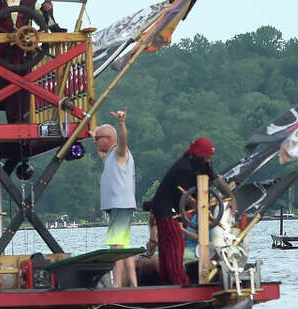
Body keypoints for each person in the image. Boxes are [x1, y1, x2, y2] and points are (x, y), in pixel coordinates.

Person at [148, 137, 223, 287]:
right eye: (207, 158)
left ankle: (167, 282)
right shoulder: (185, 169)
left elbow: (216, 179)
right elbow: (187, 197)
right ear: (199, 156)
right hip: (166, 210)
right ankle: (180, 284)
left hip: (165, 209)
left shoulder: (200, 164)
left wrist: (231, 197)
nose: (209, 161)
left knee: (167, 248)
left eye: (211, 158)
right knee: (175, 245)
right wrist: (202, 206)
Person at [93, 109, 138, 288]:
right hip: (119, 205)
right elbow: (100, 148)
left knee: (116, 245)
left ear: (109, 138)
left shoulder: (120, 152)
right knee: (124, 246)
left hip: (121, 204)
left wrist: (121, 124)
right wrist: (93, 134)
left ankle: (117, 283)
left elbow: (123, 139)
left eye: (98, 139)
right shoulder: (108, 156)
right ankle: (133, 283)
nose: (96, 143)